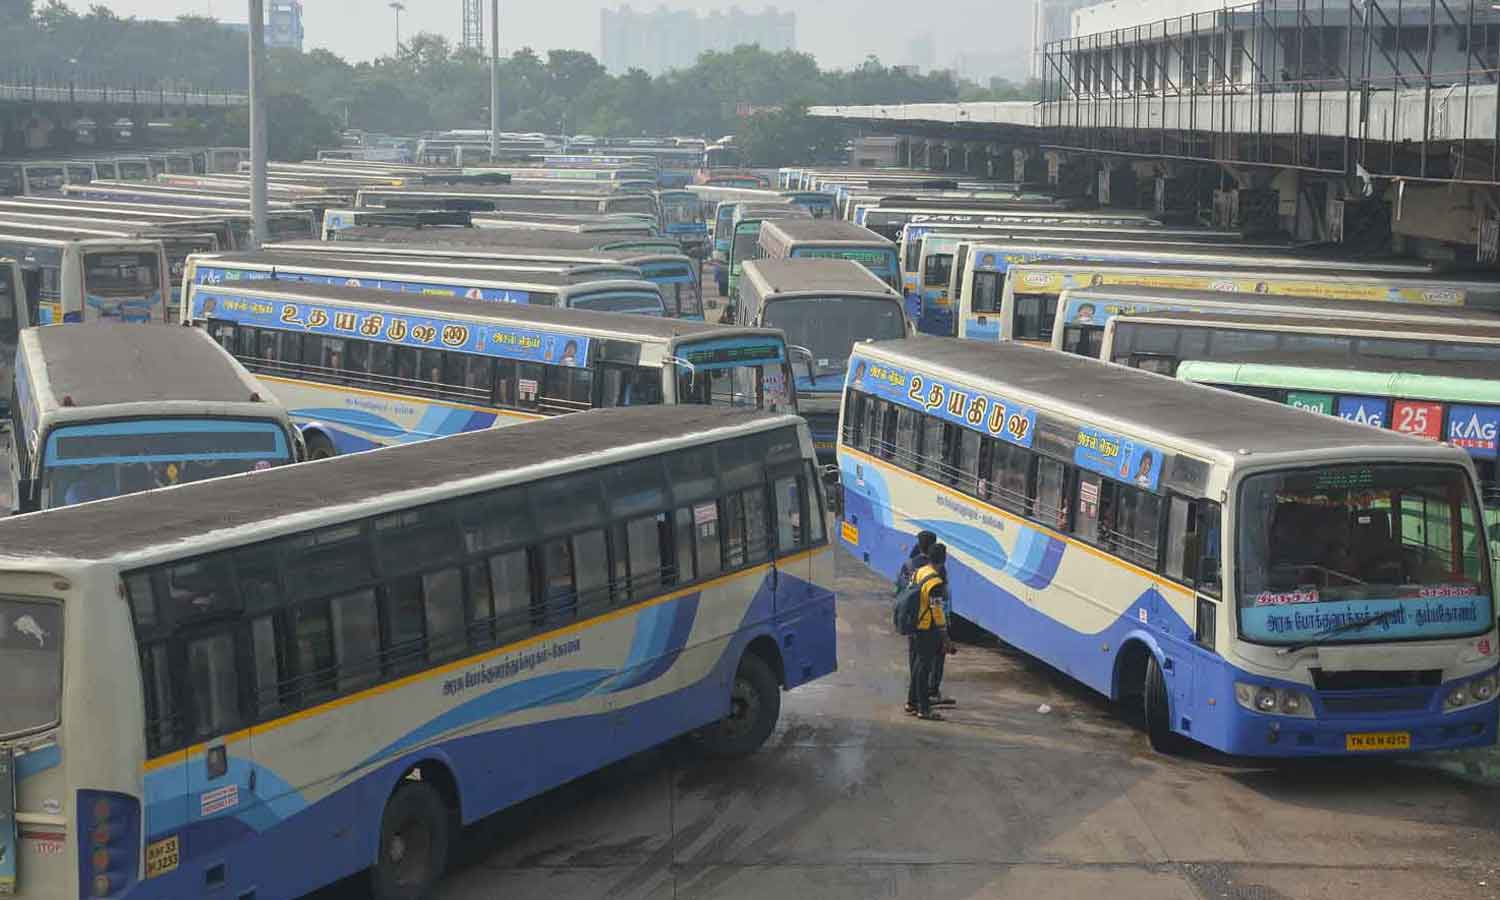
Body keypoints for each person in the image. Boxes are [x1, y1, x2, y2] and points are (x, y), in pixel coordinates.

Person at [907, 543, 951, 721]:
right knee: (924, 669)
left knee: (918, 666)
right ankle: (923, 709)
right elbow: (937, 610)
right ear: (943, 559)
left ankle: (911, 702)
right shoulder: (935, 582)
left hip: (915, 624)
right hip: (927, 628)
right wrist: (944, 634)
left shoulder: (920, 571)